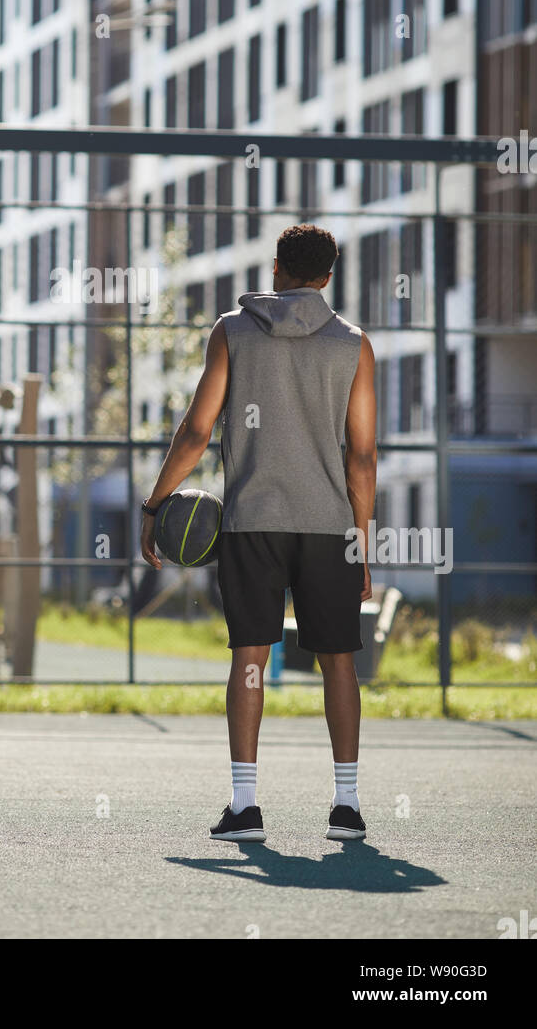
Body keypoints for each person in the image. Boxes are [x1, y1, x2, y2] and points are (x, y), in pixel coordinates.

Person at [140, 224, 377, 842]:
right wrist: (362, 540)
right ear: (328, 276)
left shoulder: (233, 330)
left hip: (252, 523)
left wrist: (156, 504)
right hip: (328, 526)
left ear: (276, 267)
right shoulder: (354, 345)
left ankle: (245, 807)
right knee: (338, 662)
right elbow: (362, 458)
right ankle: (345, 807)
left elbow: (195, 432)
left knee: (251, 658)